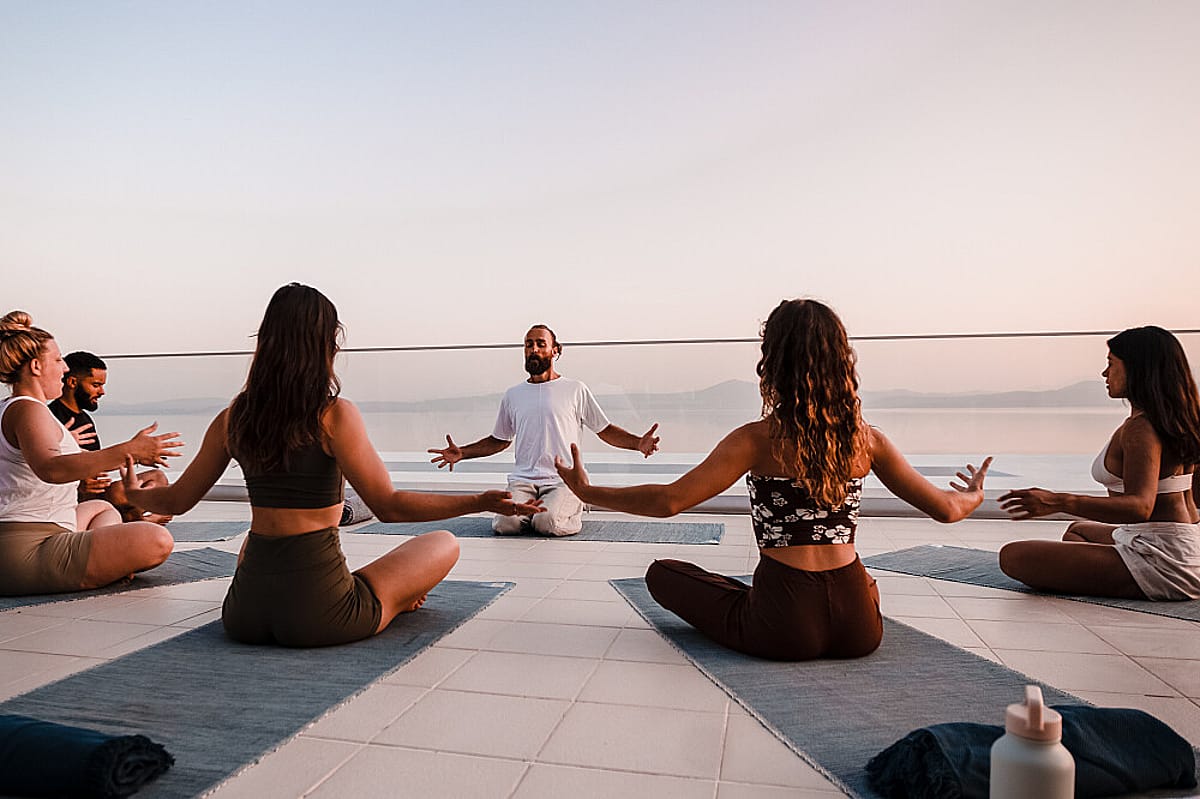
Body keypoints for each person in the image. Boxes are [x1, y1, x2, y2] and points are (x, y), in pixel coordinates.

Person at [554, 299, 991, 661]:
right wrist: (974, 494)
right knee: (833, 584)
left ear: (773, 362)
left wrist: (587, 491)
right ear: (841, 361)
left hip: (785, 623)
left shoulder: (756, 440)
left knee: (664, 574)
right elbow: (948, 510)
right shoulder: (868, 440)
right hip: (860, 624)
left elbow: (670, 501)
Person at [122, 283, 545, 648]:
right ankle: (394, 600)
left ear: (266, 341)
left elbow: (179, 498)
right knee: (442, 544)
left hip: (243, 615)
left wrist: (135, 494)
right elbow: (390, 507)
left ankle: (379, 591)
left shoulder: (235, 417)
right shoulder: (334, 415)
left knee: (258, 546)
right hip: (320, 617)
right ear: (327, 342)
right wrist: (482, 501)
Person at [999, 326, 1200, 600]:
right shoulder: (1182, 421)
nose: (1105, 374)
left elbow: (1140, 507)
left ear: (1138, 369)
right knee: (1078, 531)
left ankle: (1133, 580)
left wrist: (1058, 502)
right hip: (1185, 546)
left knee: (1012, 556)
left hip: (1163, 560)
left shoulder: (1141, 428)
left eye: (1111, 364)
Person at [0, 311, 180, 596]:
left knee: (102, 509)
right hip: (25, 549)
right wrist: (129, 451)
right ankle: (111, 564)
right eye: (58, 360)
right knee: (157, 540)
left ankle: (110, 559)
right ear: (36, 366)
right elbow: (52, 468)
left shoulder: (16, 408)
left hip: (44, 530)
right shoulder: (27, 409)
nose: (64, 369)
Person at [428, 324, 661, 537]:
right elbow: (499, 439)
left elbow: (605, 429)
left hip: (564, 481)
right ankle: (534, 513)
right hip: (523, 481)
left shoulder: (575, 389)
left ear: (555, 350)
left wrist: (638, 443)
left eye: (541, 344)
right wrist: (463, 453)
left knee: (546, 523)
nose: (534, 349)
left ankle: (573, 504)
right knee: (504, 525)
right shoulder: (513, 395)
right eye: (529, 344)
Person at [48, 350, 172, 523]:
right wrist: (78, 485)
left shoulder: (83, 418)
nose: (102, 392)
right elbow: (49, 469)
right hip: (77, 497)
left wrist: (134, 458)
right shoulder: (52, 418)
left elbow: (97, 461)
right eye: (96, 385)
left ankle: (139, 518)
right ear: (72, 382)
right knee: (123, 491)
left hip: (99, 492)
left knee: (157, 477)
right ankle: (140, 521)